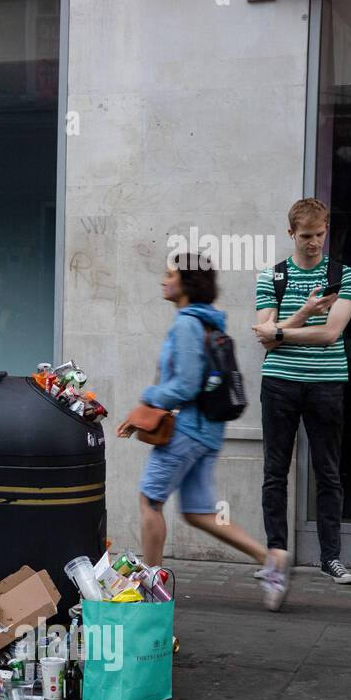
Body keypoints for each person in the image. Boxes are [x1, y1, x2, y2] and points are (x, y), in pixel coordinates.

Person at [117, 253, 287, 609]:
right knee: (199, 512)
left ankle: (151, 590)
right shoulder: (208, 323)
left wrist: (147, 399)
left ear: (187, 283)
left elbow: (187, 385)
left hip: (187, 433)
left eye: (170, 275)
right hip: (207, 433)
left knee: (150, 500)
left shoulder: (186, 324)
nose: (164, 280)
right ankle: (270, 559)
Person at [251, 197, 351, 589]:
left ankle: (331, 557)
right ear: (291, 234)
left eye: (319, 234)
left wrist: (281, 330)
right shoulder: (272, 276)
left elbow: (331, 334)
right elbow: (265, 340)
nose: (313, 242)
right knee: (274, 472)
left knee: (329, 472)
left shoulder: (344, 275)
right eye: (305, 236)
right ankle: (276, 556)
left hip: (327, 384)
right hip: (279, 384)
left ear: (326, 230)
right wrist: (302, 315)